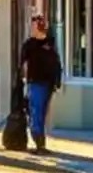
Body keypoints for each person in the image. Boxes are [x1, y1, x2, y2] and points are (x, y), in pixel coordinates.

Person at [20, 14, 62, 155]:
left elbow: (56, 64)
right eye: (35, 25)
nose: (35, 28)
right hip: (35, 83)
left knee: (42, 113)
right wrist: (24, 80)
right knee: (36, 112)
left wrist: (57, 82)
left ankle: (41, 143)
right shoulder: (29, 45)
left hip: (48, 84)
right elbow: (23, 64)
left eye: (38, 25)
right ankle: (39, 143)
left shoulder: (50, 43)